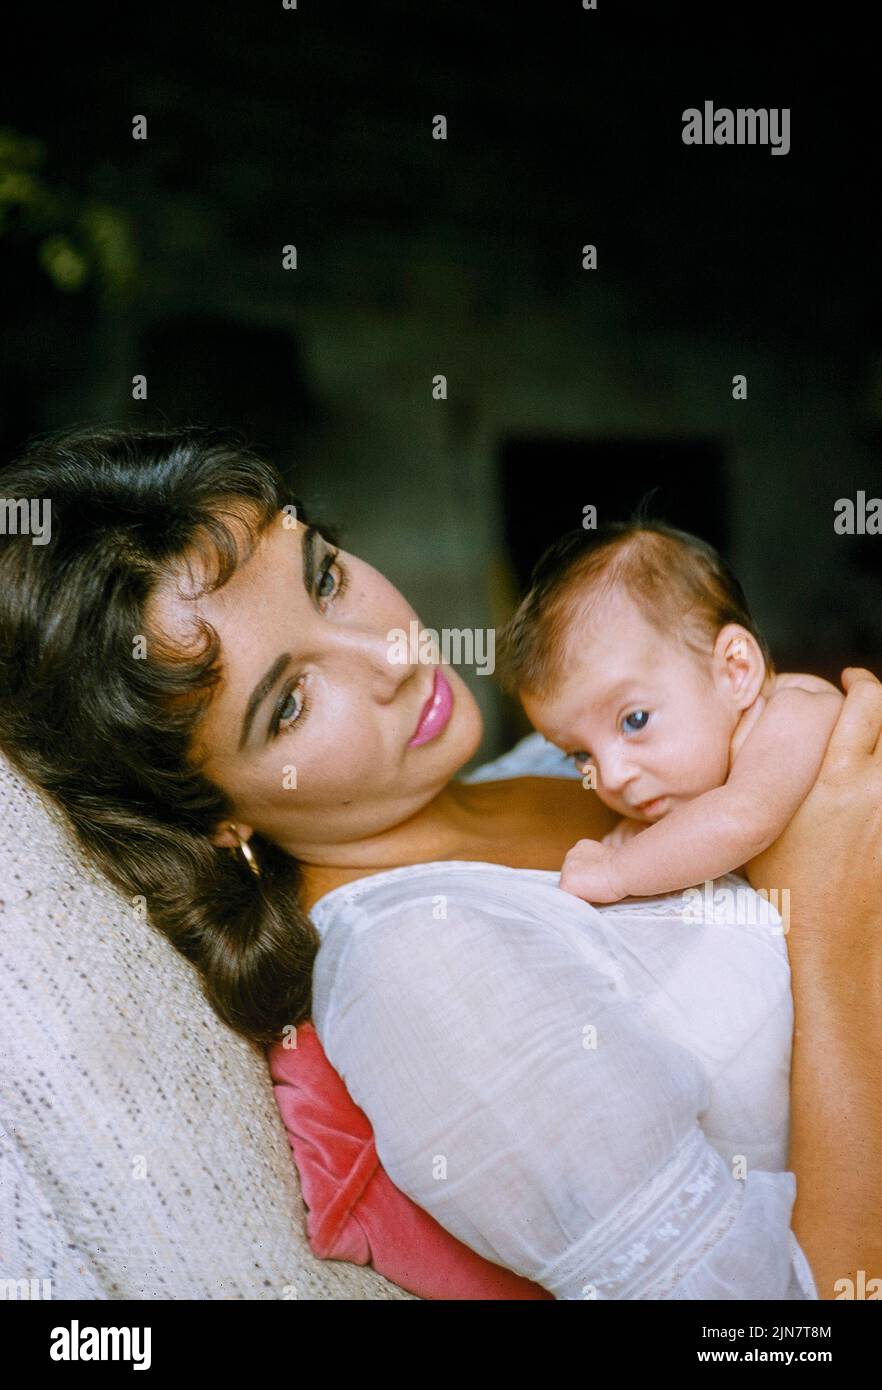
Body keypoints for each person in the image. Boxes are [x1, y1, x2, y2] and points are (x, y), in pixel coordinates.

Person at [0, 425, 879, 1299]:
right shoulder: (426, 974)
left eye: (328, 579)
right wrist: (839, 935)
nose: (388, 653)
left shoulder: (545, 764)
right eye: (292, 702)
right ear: (213, 816)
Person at [494, 520, 844, 904]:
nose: (611, 777)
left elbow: (741, 820)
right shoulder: (689, 789)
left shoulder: (796, 713)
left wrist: (617, 870)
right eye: (581, 754)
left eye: (635, 720)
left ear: (735, 670)